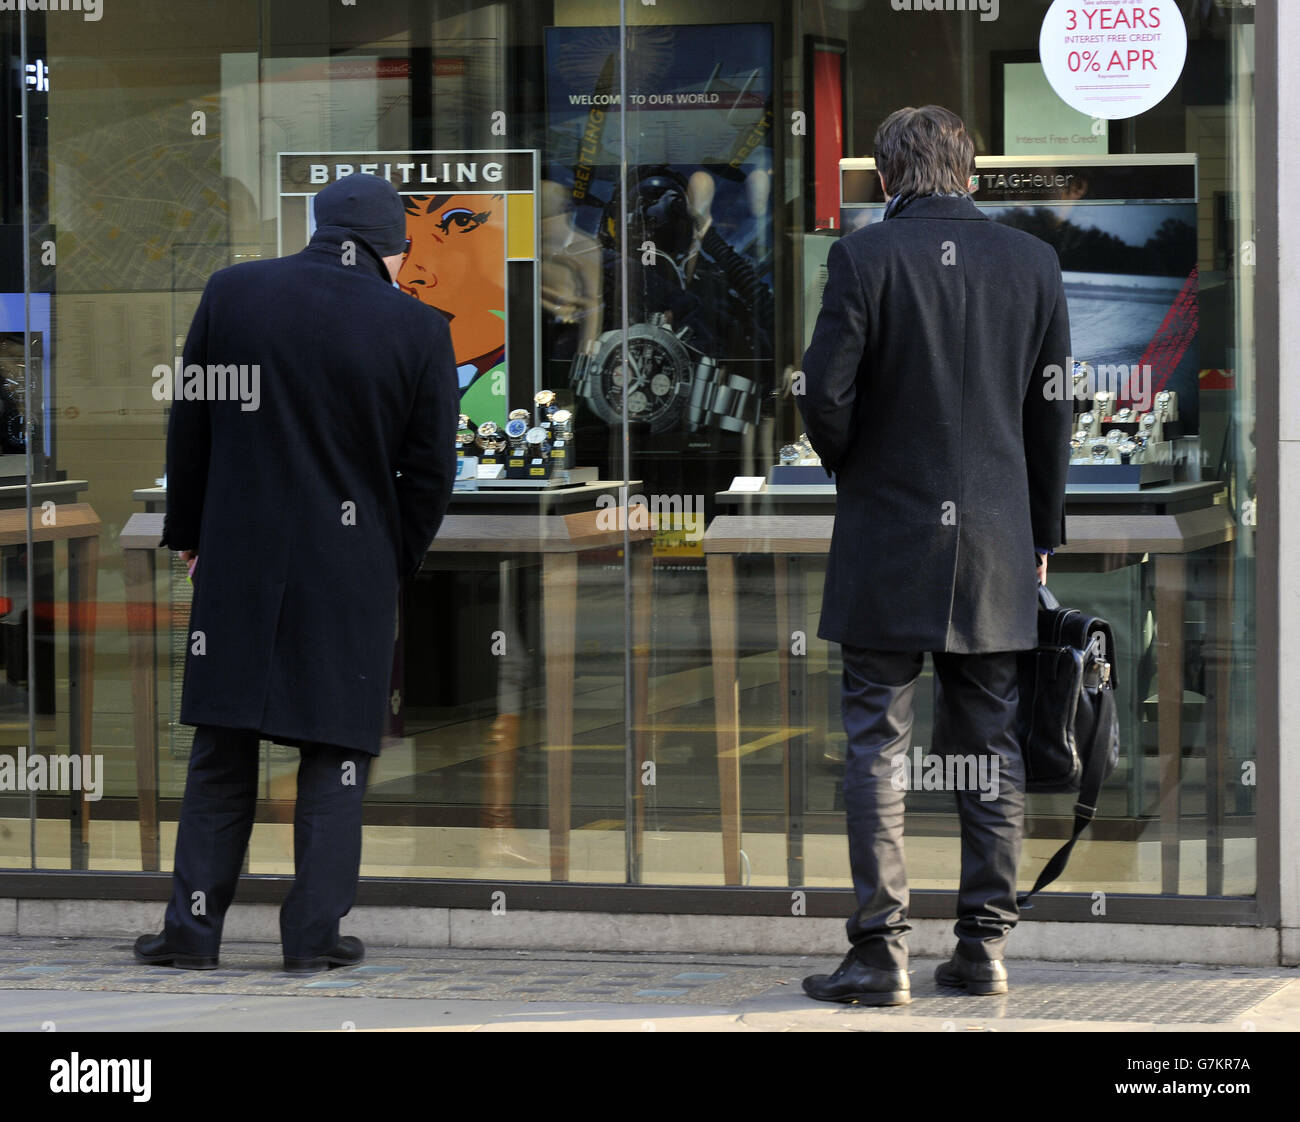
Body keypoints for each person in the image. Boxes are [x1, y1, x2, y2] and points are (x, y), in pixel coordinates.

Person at [136, 173, 459, 973]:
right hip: (347, 568)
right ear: (396, 248)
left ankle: (192, 932)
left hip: (238, 557)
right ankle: (313, 937)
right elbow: (430, 473)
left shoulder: (234, 293)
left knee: (221, 747)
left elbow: (192, 426)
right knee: (333, 754)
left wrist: (190, 532)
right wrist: (393, 556)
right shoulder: (418, 328)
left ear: (318, 226)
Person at [797, 106, 1072, 1005]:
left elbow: (824, 395)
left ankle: (880, 954)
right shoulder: (1033, 262)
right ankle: (984, 948)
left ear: (887, 178)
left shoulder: (864, 256)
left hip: (887, 536)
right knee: (990, 745)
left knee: (877, 741)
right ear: (972, 173)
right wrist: (1040, 535)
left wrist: (859, 469)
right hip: (996, 542)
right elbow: (1051, 417)